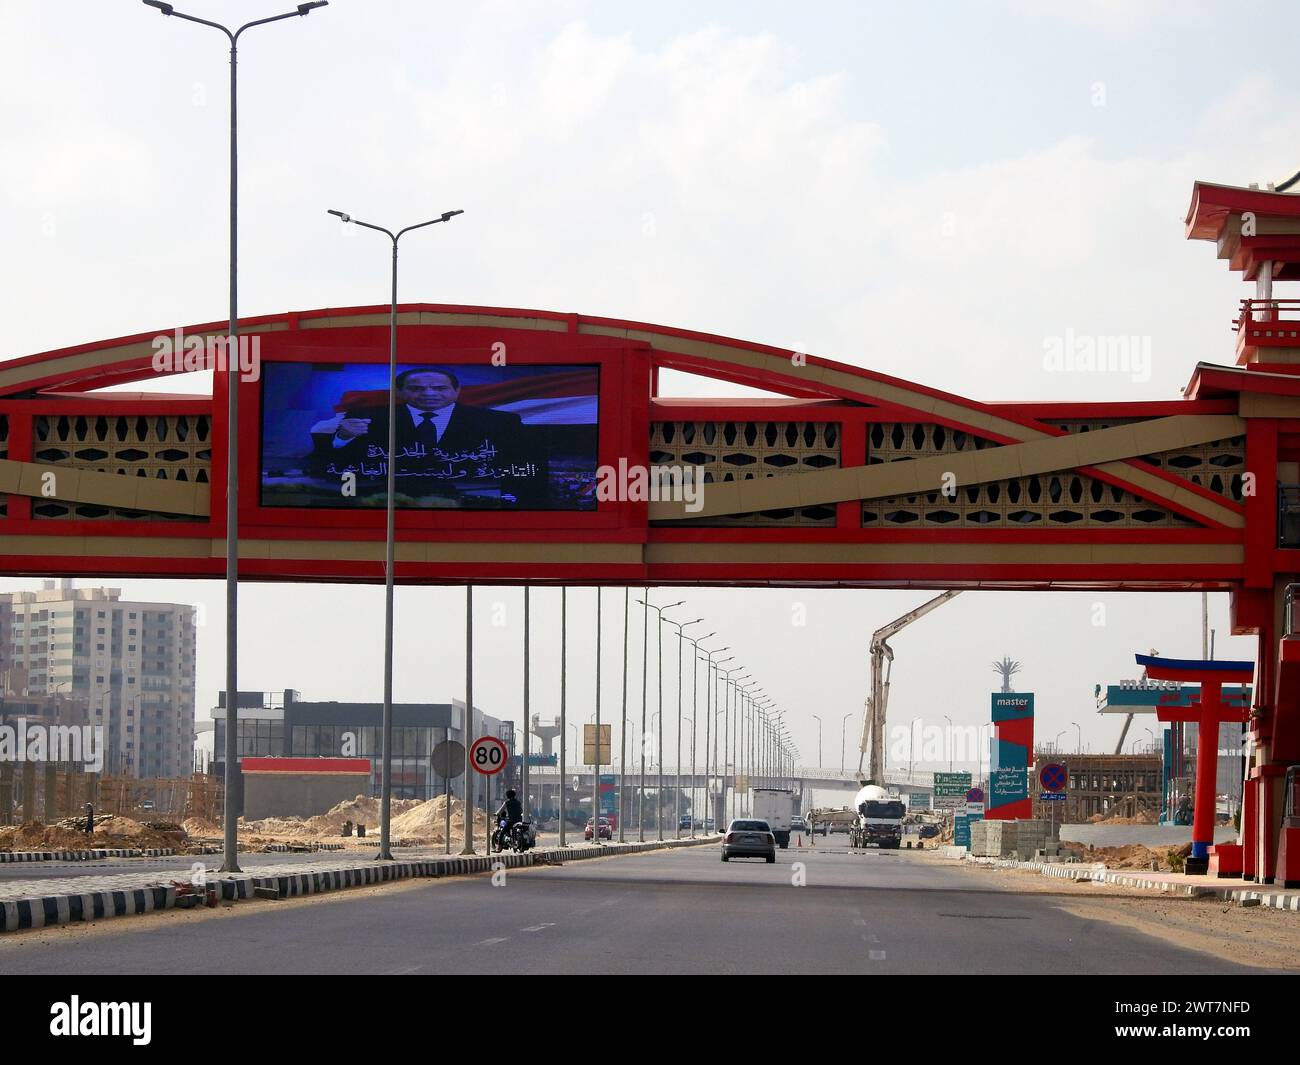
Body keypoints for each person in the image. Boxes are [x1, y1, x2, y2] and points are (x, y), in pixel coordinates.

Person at [312, 367, 542, 503]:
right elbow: (328, 463)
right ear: (400, 392)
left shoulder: (499, 421)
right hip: (386, 506)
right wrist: (342, 437)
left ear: (456, 391)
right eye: (417, 388)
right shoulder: (367, 417)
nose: (429, 394)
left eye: (440, 388)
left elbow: (525, 467)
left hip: (474, 504)